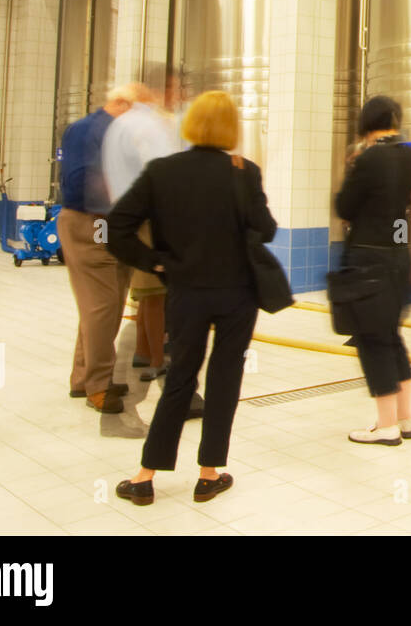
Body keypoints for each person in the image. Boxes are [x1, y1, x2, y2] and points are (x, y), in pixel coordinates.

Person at [106, 91, 276, 505]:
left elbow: (116, 228)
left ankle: (146, 476)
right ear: (230, 129)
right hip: (238, 294)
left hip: (185, 292)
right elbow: (266, 229)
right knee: (225, 378)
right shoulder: (244, 172)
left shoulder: (162, 172)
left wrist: (156, 262)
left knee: (180, 377)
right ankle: (209, 473)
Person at [334, 95, 411, 445]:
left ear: (366, 123)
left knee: (373, 339)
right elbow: (401, 209)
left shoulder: (369, 159)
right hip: (400, 254)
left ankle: (385, 426)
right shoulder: (410, 156)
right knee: (392, 336)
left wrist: (352, 169)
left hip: (371, 260)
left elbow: (344, 207)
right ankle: (405, 418)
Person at [58, 85, 135, 414]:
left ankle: (84, 377)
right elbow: (80, 183)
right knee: (102, 305)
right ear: (120, 103)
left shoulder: (113, 133)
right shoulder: (89, 129)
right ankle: (99, 386)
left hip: (110, 224)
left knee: (105, 303)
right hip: (93, 223)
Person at [101, 83, 180, 380]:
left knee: (145, 295)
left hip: (124, 217)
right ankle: (156, 360)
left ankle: (143, 352)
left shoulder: (118, 127)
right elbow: (160, 169)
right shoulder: (144, 125)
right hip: (146, 220)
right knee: (155, 295)